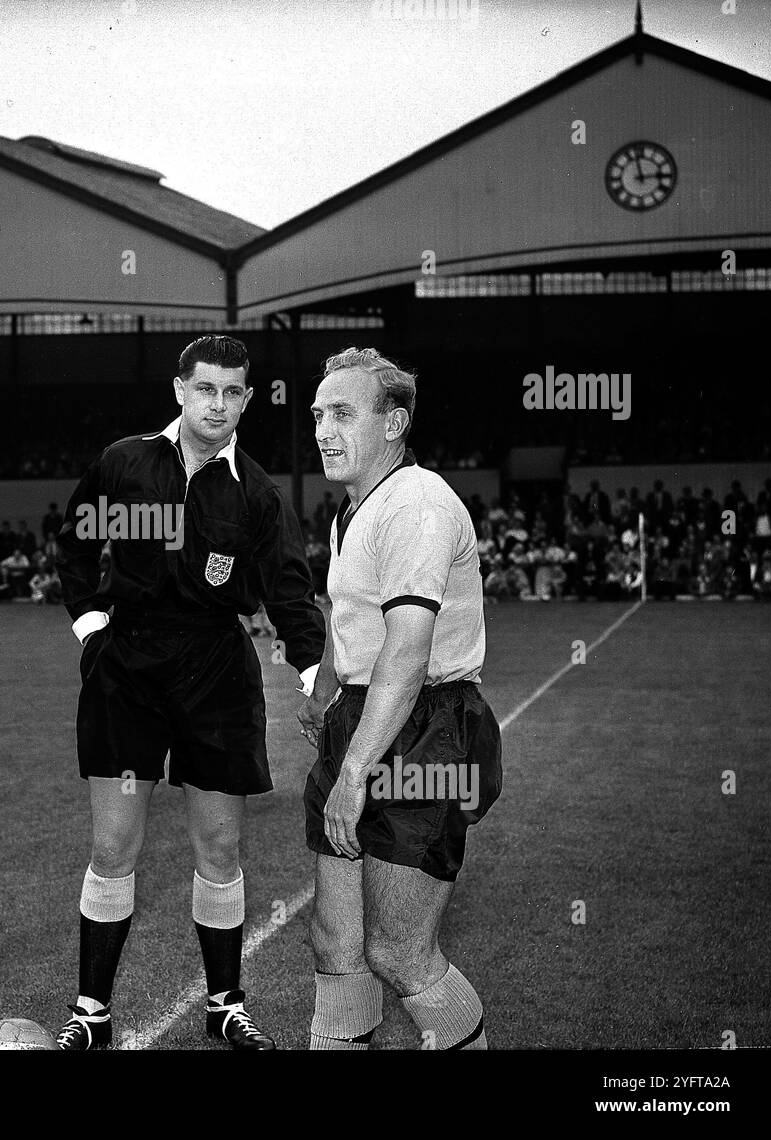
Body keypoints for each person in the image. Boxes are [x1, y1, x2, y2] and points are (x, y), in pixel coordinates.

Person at [53, 335, 325, 1051]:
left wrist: (310, 674)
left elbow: (289, 592)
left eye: (234, 392)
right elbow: (74, 543)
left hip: (216, 669)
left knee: (221, 844)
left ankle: (225, 1006)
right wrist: (91, 629)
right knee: (113, 845)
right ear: (180, 390)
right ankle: (91, 1013)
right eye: (206, 389)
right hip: (128, 668)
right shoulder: (125, 461)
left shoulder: (257, 492)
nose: (219, 404)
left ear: (247, 399)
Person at [297, 347, 501, 1051]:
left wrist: (353, 774)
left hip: (427, 730)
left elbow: (408, 651)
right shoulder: (353, 510)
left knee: (399, 953)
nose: (323, 428)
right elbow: (349, 613)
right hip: (367, 716)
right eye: (319, 413)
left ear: (394, 422)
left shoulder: (416, 502)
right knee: (335, 941)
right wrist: (326, 689)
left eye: (343, 413)